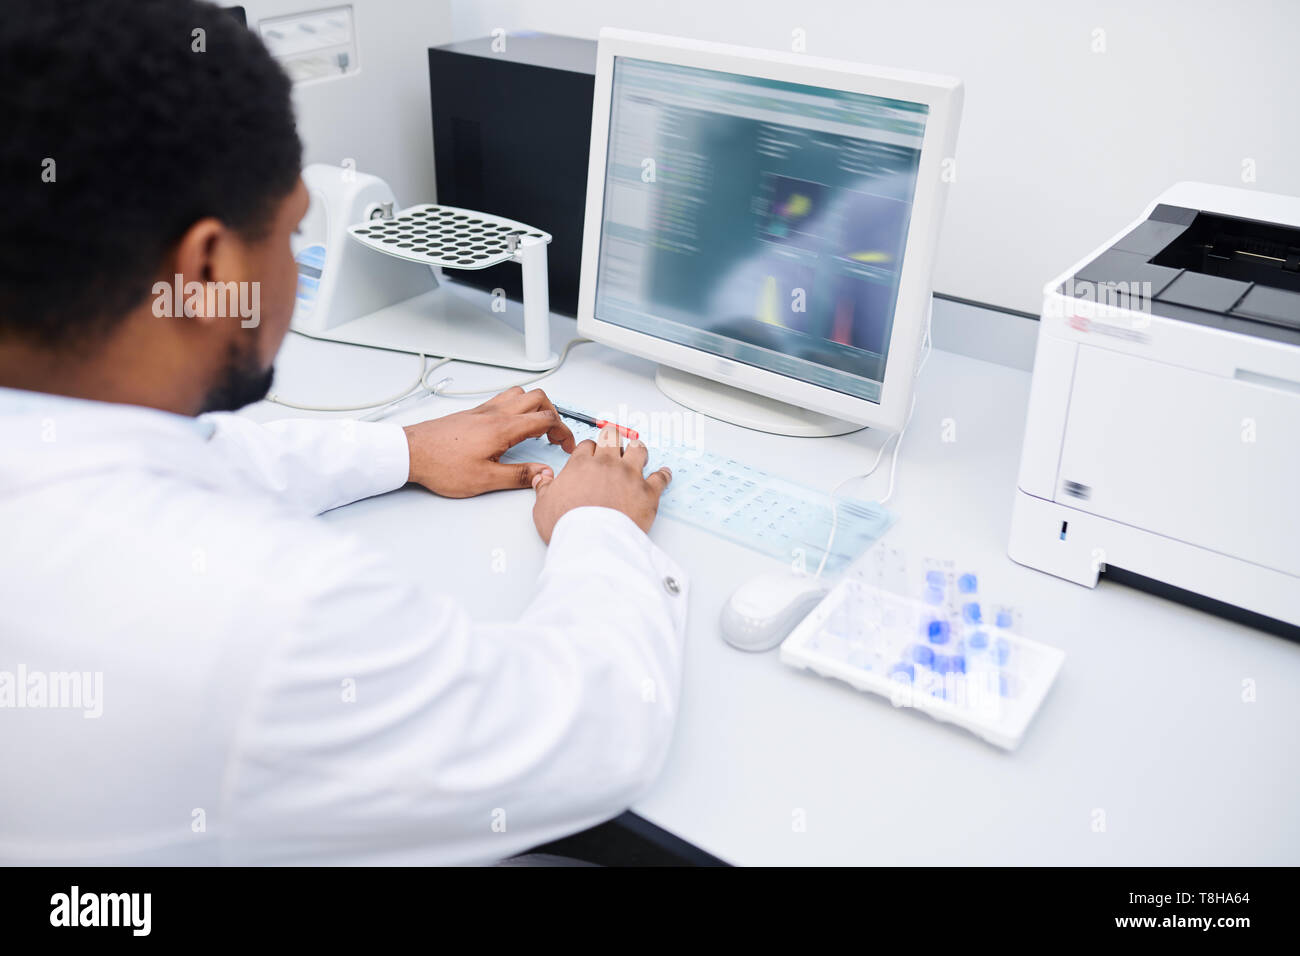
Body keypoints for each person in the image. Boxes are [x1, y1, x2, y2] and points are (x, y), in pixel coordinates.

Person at [0, 0, 685, 865]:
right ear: (210, 270)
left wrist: (400, 450)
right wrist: (601, 528)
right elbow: (594, 731)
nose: (296, 265)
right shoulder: (272, 619)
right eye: (291, 233)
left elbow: (191, 461)